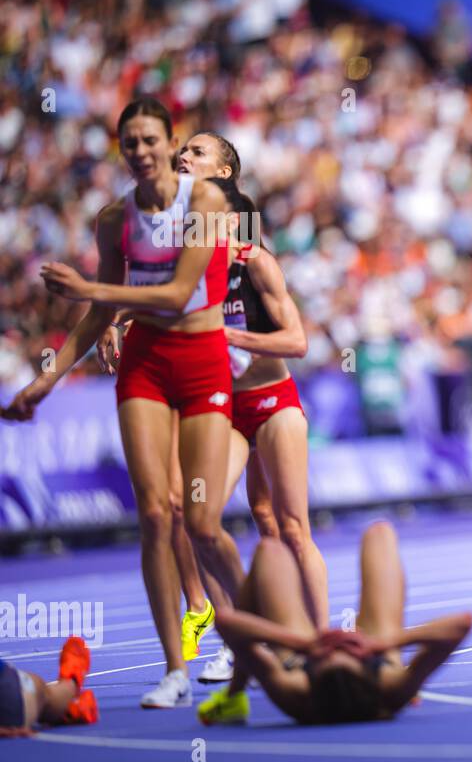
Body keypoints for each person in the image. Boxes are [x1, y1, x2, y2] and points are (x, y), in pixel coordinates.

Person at [2, 97, 246, 708]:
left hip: (202, 362)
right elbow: (101, 313)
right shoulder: (114, 219)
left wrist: (93, 288)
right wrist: (47, 378)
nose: (139, 152)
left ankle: (254, 633)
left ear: (168, 143)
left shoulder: (210, 204)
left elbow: (182, 291)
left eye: (150, 140)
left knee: (202, 521)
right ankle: (175, 668)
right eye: (129, 142)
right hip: (146, 367)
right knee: (155, 515)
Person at [99, 131, 325, 686]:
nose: (183, 157)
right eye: (184, 152)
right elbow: (168, 294)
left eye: (197, 153)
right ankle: (233, 629)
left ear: (224, 173)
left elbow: (296, 340)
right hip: (221, 406)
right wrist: (115, 319)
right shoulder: (180, 238)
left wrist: (227, 333)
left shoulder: (249, 246)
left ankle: (318, 638)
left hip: (271, 400)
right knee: (192, 515)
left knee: (285, 524)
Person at [200, 521, 472, 725]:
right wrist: (385, 643)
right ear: (366, 667)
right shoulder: (391, 686)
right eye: (347, 653)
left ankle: (234, 696)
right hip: (377, 655)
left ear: (314, 669)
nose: (338, 643)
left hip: (297, 652)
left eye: (331, 653)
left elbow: (226, 622)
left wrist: (305, 644)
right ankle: (370, 651)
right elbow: (462, 623)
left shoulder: (294, 691)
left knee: (269, 549)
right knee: (380, 533)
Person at [0, 637, 97, 737]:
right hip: (11, 700)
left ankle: (66, 706)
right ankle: (71, 686)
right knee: (40, 690)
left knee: (32, 687)